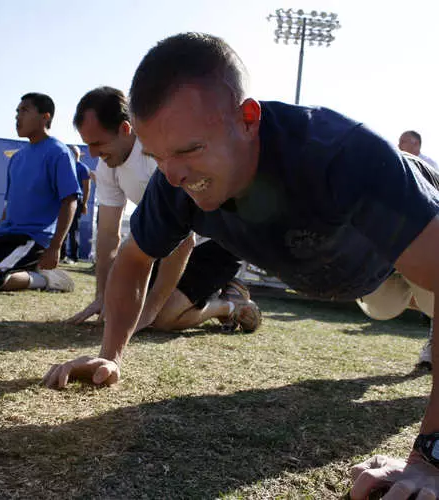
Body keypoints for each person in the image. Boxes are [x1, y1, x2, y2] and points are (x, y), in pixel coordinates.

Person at [43, 34, 439, 498]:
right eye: (157, 157)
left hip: (406, 238)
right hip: (365, 282)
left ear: (248, 120)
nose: (172, 175)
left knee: (428, 285)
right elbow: (132, 260)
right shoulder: (175, 180)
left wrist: (430, 457)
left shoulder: (343, 156)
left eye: (189, 150)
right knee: (386, 306)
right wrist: (111, 355)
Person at [65, 86, 261, 333]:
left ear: (125, 129)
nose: (92, 154)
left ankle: (231, 304)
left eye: (98, 143)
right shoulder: (107, 167)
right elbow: (107, 235)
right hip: (176, 246)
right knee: (125, 301)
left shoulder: (158, 156)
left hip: (216, 244)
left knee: (162, 319)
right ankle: (217, 288)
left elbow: (184, 241)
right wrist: (102, 297)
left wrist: (148, 313)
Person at [0, 92, 80, 292]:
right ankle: (27, 268)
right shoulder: (18, 158)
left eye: (24, 111)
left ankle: (47, 280)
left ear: (45, 117)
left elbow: (70, 201)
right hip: (4, 234)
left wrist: (55, 247)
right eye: (17, 112)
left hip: (32, 237)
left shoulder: (59, 152)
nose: (17, 117)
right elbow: (10, 203)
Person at [398, 132, 439, 370]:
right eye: (402, 142)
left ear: (418, 145)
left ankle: (431, 351)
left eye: (409, 143)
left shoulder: (430, 168)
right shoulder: (393, 166)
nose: (405, 146)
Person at [61, 145, 91, 263]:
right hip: (63, 200)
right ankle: (61, 255)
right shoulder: (64, 167)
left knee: (73, 229)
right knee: (62, 228)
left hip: (76, 201)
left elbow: (87, 188)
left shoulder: (83, 168)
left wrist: (84, 204)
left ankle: (73, 256)